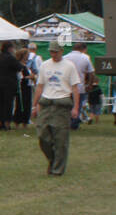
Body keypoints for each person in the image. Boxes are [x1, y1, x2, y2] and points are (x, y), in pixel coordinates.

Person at [32, 41, 82, 176]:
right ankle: (53, 160)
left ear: (61, 51)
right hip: (46, 103)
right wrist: (34, 105)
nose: (53, 54)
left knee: (60, 139)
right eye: (51, 52)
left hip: (62, 105)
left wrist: (76, 108)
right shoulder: (45, 65)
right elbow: (40, 86)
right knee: (43, 136)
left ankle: (57, 169)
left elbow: (75, 88)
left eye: (55, 51)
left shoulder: (69, 66)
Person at [62, 41, 100, 124]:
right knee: (77, 106)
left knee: (66, 106)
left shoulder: (65, 57)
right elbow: (91, 73)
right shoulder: (85, 57)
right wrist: (89, 85)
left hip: (65, 87)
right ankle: (74, 123)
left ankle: (66, 122)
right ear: (83, 49)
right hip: (80, 87)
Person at [0, 40, 21, 131]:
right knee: (8, 103)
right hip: (8, 84)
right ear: (10, 48)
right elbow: (19, 67)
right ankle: (7, 124)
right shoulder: (10, 58)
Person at [13, 46, 34, 129]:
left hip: (28, 87)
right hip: (22, 87)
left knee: (27, 104)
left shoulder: (26, 65)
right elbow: (20, 77)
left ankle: (25, 121)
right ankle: (18, 121)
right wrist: (30, 77)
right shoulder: (19, 66)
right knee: (21, 104)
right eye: (27, 54)